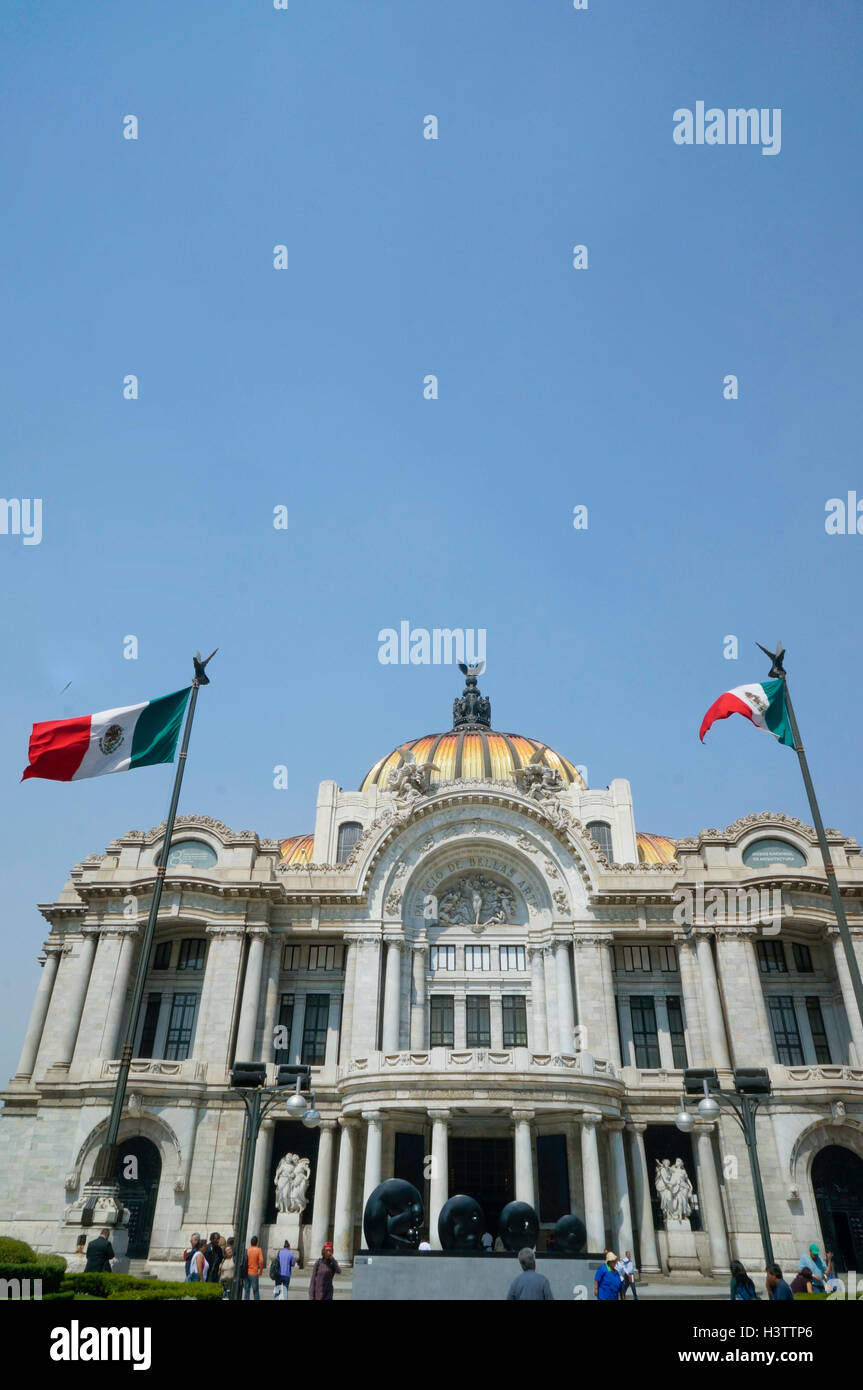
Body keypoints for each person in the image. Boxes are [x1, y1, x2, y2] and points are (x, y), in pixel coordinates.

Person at [244, 1235, 264, 1300]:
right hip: (254, 1273)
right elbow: (261, 1261)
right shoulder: (258, 1250)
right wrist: (260, 1271)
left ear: (251, 1242)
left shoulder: (247, 1250)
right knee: (255, 1291)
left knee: (247, 1290)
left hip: (247, 1272)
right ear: (257, 1242)